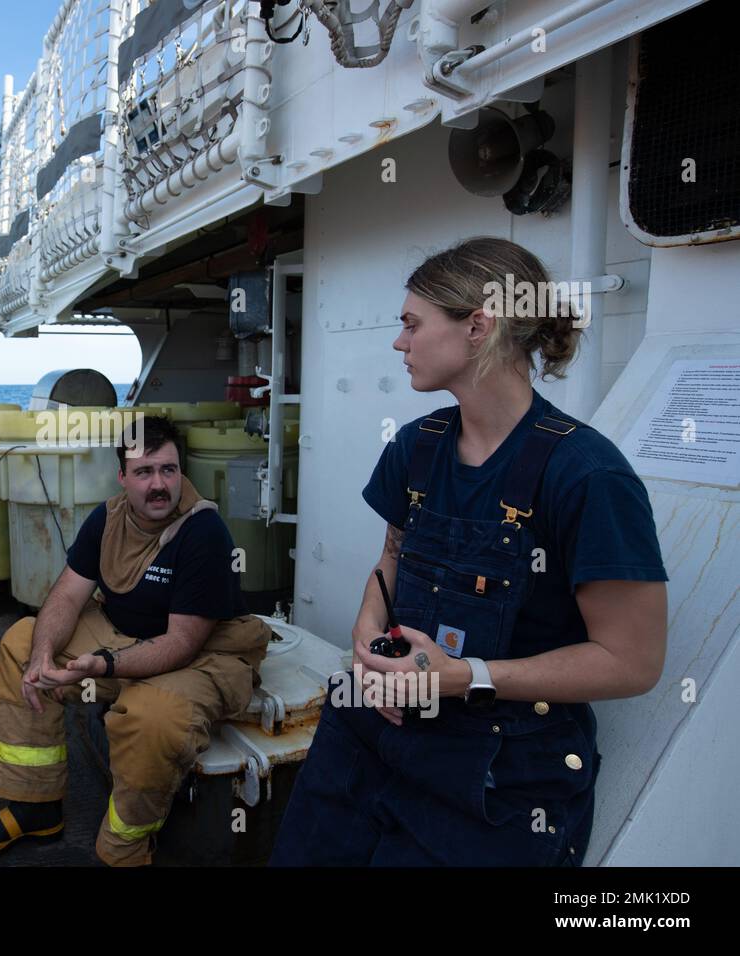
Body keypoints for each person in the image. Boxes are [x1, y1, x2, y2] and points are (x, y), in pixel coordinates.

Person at [270, 237, 668, 866]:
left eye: (411, 324)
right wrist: (368, 640)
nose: (398, 342)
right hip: (376, 735)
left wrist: (466, 678)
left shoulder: (587, 475)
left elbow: (631, 661)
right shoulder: (417, 446)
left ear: (477, 327)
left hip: (498, 773)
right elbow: (391, 560)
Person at [0, 414, 271, 866]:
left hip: (203, 653)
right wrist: (44, 654)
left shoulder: (203, 531)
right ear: (122, 476)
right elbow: (67, 594)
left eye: (168, 469)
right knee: (22, 642)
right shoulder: (107, 519)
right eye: (144, 472)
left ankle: (124, 848)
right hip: (125, 638)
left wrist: (104, 664)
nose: (159, 484)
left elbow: (182, 642)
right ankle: (35, 804)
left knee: (153, 717)